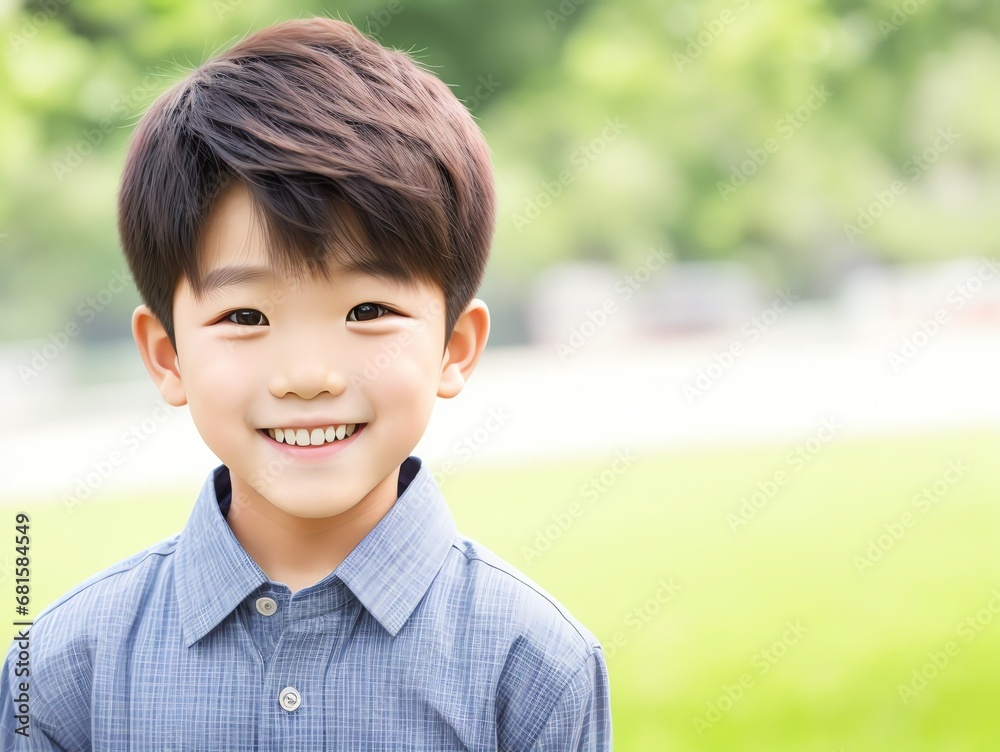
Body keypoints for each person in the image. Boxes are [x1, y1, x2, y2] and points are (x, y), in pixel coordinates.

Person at [0, 16, 611, 751]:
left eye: (367, 310)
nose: (307, 377)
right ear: (167, 356)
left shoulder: (536, 666)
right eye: (246, 315)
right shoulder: (70, 667)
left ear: (455, 345)